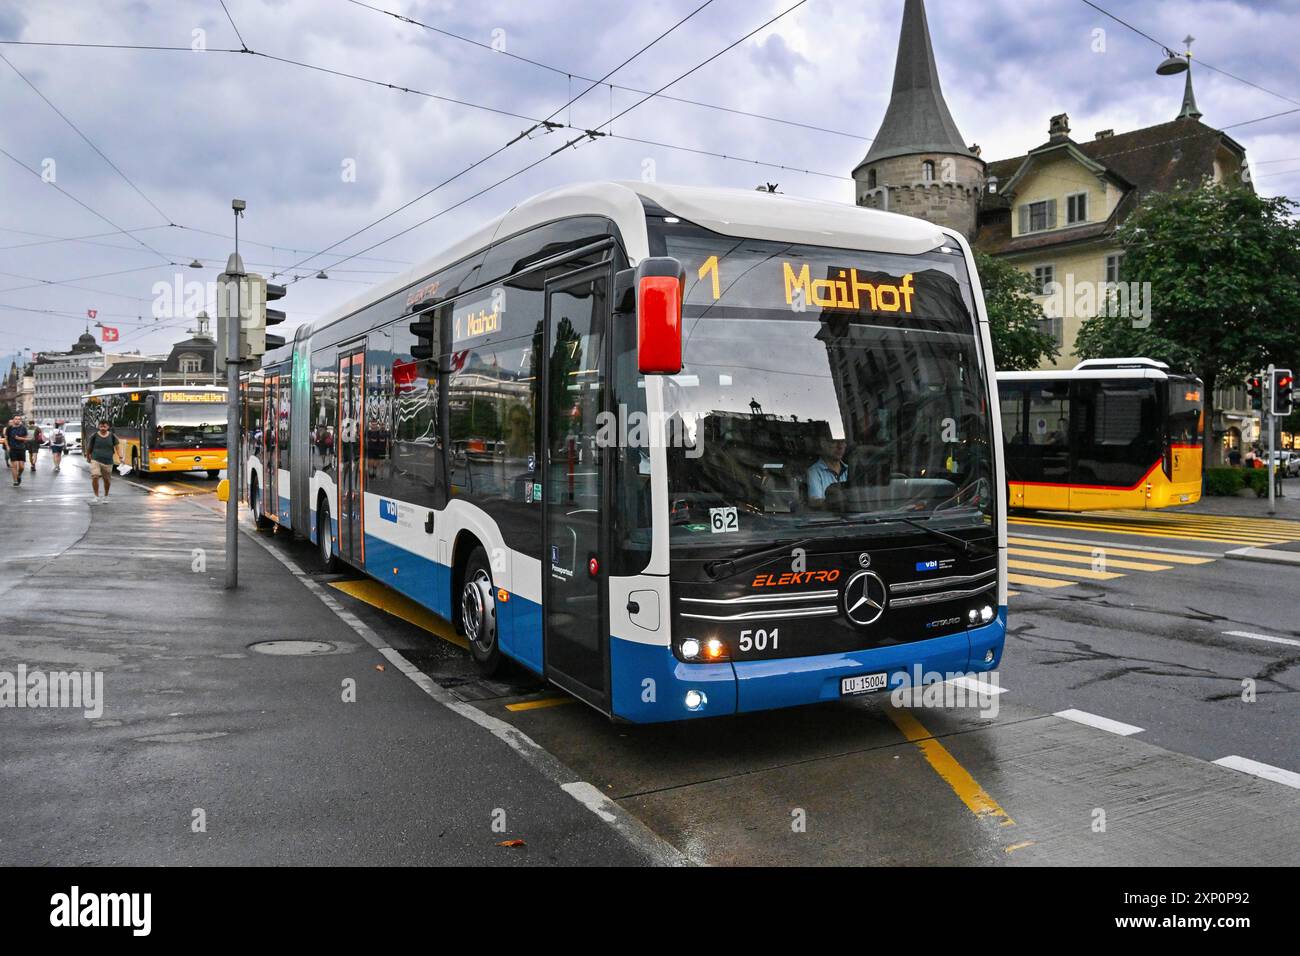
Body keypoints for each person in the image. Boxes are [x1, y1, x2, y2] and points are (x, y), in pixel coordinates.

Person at [85, 419, 121, 502]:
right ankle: (96, 496)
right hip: (95, 459)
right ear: (98, 427)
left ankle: (106, 495)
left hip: (108, 461)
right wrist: (88, 457)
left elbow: (117, 447)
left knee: (107, 480)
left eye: (104, 426)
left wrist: (121, 457)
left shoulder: (112, 436)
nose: (103, 428)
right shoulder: (94, 436)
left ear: (108, 427)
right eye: (101, 426)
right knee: (95, 476)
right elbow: (89, 447)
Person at [806, 436, 848, 507]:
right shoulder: (814, 472)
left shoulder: (850, 469)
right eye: (834, 441)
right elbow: (815, 501)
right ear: (823, 444)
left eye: (843, 441)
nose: (840, 446)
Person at [5, 416, 29, 486]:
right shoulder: (9, 428)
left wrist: (19, 438)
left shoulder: (23, 428)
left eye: (19, 419)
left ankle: (19, 475)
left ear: (20, 421)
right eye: (16, 419)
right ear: (13, 420)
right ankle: (15, 481)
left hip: (21, 448)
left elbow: (26, 438)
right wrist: (7, 447)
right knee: (14, 466)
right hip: (13, 449)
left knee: (22, 467)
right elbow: (6, 438)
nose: (17, 420)